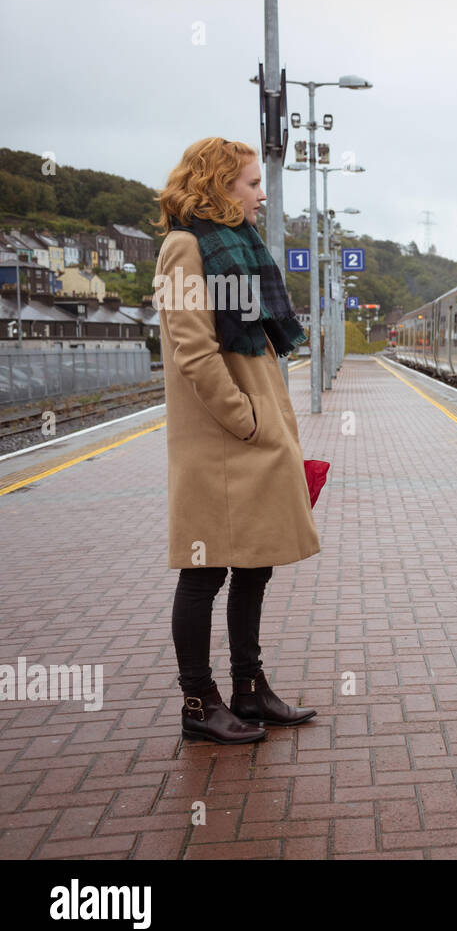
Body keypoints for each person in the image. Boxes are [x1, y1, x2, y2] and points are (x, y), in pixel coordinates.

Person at [152, 137, 320, 744]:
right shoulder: (183, 248)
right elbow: (193, 350)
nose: (261, 193)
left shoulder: (239, 248)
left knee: (257, 562)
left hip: (253, 434)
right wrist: (247, 418)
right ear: (218, 186)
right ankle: (199, 702)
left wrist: (263, 422)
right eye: (251, 184)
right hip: (220, 439)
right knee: (205, 572)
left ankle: (249, 689)